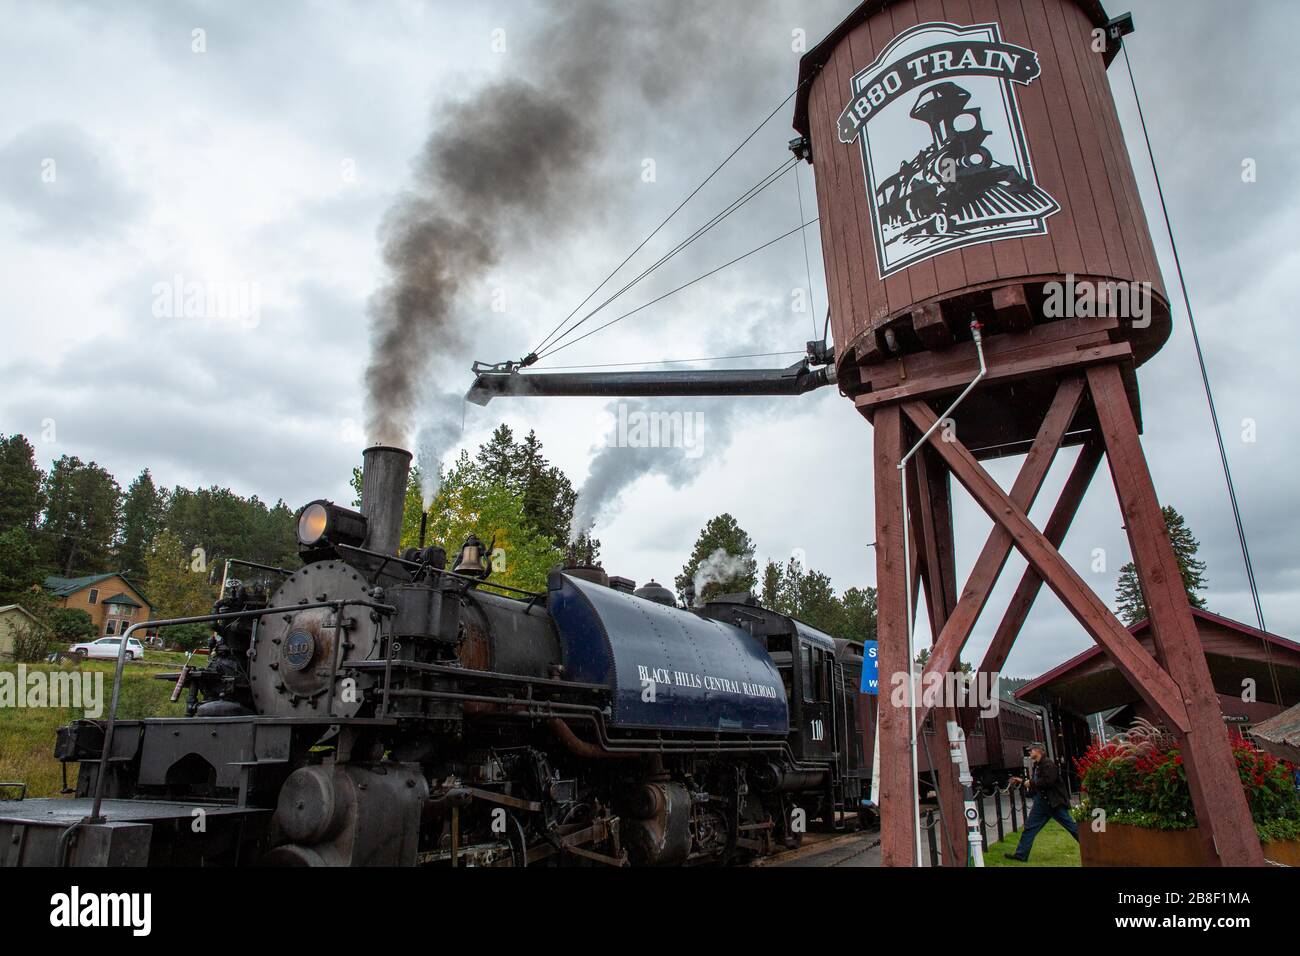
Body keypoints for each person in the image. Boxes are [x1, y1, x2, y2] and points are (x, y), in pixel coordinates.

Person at [1004, 742, 1078, 862]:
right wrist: (1023, 781)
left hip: (1054, 803)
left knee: (1072, 827)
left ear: (1039, 751)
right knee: (1030, 828)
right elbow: (1039, 782)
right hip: (1043, 803)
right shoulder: (1039, 765)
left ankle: (1090, 846)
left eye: (1031, 750)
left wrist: (1031, 783)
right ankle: (1021, 855)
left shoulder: (1048, 764)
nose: (1030, 752)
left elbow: (1048, 781)